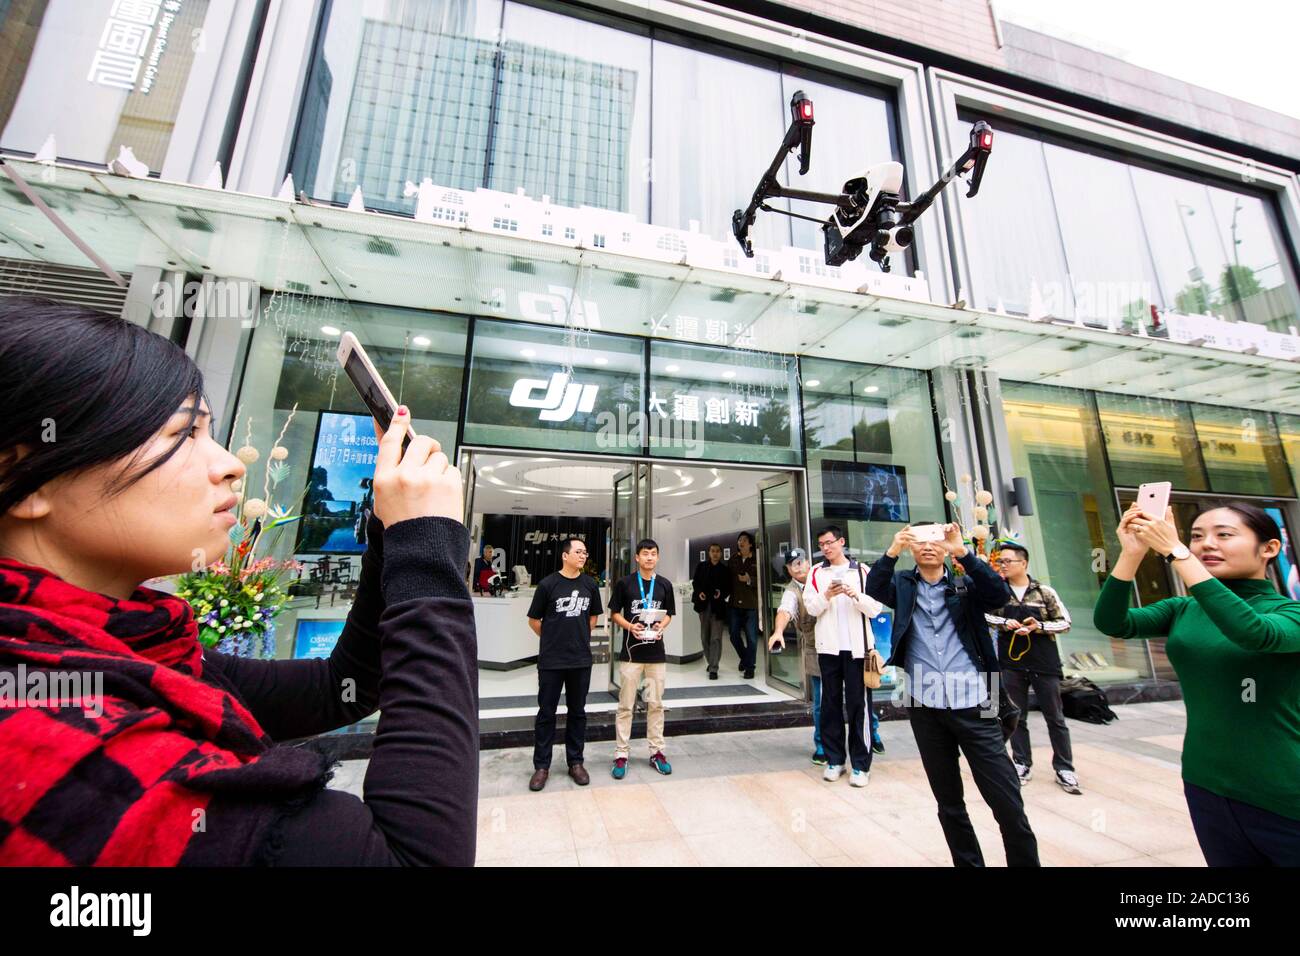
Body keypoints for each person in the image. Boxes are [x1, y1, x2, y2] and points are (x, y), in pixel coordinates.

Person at [0, 298, 478, 866]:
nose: (229, 463)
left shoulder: (146, 654)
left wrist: (394, 529)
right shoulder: (50, 744)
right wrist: (427, 548)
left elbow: (342, 685)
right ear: (24, 475)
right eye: (182, 435)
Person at [1094, 501, 1300, 866]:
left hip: (1283, 792)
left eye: (1224, 535)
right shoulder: (1183, 609)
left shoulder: (1288, 613)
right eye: (1196, 536)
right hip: (1206, 785)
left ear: (1269, 548)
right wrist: (1131, 554)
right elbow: (1114, 622)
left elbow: (1252, 633)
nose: (1206, 544)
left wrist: (1177, 552)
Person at [865, 521, 1040, 867]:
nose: (928, 547)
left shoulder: (966, 584)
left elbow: (999, 594)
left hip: (977, 700)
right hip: (924, 705)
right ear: (912, 547)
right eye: (920, 541)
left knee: (1006, 801)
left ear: (944, 548)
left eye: (935, 541)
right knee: (949, 804)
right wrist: (892, 550)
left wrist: (962, 550)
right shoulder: (902, 583)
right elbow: (873, 588)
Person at [986, 543, 1081, 794]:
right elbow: (985, 616)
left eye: (1008, 561)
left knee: (1055, 717)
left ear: (1023, 563)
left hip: (1044, 663)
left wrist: (1038, 626)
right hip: (1011, 662)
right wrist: (1006, 622)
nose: (1003, 566)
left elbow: (1065, 622)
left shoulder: (1045, 592)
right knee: (1017, 717)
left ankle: (1064, 767)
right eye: (1001, 562)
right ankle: (1021, 763)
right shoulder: (998, 592)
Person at [802, 525, 883, 787]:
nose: (826, 548)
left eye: (829, 542)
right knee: (830, 704)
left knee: (860, 706)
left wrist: (854, 594)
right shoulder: (816, 572)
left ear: (841, 542)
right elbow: (811, 609)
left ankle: (861, 764)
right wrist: (827, 595)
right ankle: (835, 760)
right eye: (822, 544)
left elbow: (875, 608)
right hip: (829, 648)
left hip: (858, 649)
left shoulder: (862, 571)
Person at [526, 537, 602, 791]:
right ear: (565, 555)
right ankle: (542, 766)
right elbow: (534, 620)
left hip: (580, 660)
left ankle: (576, 762)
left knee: (577, 713)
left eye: (585, 552)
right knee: (546, 713)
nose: (583, 556)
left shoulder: (590, 585)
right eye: (579, 552)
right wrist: (553, 639)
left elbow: (593, 618)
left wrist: (576, 638)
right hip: (551, 661)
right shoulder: (548, 585)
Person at [608, 538, 675, 779]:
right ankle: (621, 754)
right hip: (631, 654)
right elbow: (614, 613)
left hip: (656, 655)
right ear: (637, 557)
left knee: (655, 704)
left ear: (657, 557)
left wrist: (661, 626)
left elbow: (669, 615)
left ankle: (657, 752)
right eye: (645, 553)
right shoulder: (625, 583)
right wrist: (630, 626)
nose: (649, 557)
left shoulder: (665, 585)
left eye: (653, 553)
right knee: (626, 706)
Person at [766, 549, 825, 764]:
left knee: (857, 695)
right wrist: (778, 631)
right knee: (820, 700)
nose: (798, 566)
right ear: (788, 570)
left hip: (841, 645)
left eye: (801, 561)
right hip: (815, 647)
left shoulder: (823, 577)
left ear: (808, 562)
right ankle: (822, 745)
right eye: (793, 564)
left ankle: (871, 733)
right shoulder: (791, 590)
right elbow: (785, 610)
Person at [692, 543, 731, 680]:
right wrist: (700, 592)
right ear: (709, 553)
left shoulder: (725, 570)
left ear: (720, 554)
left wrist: (721, 592)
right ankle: (710, 661)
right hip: (703, 606)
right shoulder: (701, 567)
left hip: (718, 607)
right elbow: (695, 583)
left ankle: (714, 667)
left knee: (716, 638)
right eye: (712, 551)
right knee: (704, 637)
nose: (715, 553)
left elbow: (728, 587)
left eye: (717, 551)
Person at [728, 531, 760, 679]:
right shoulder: (733, 559)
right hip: (734, 604)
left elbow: (763, 579)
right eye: (739, 540)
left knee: (752, 638)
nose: (741, 542)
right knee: (733, 636)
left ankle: (750, 667)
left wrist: (749, 580)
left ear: (750, 544)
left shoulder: (757, 559)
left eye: (744, 540)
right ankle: (746, 658)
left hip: (751, 605)